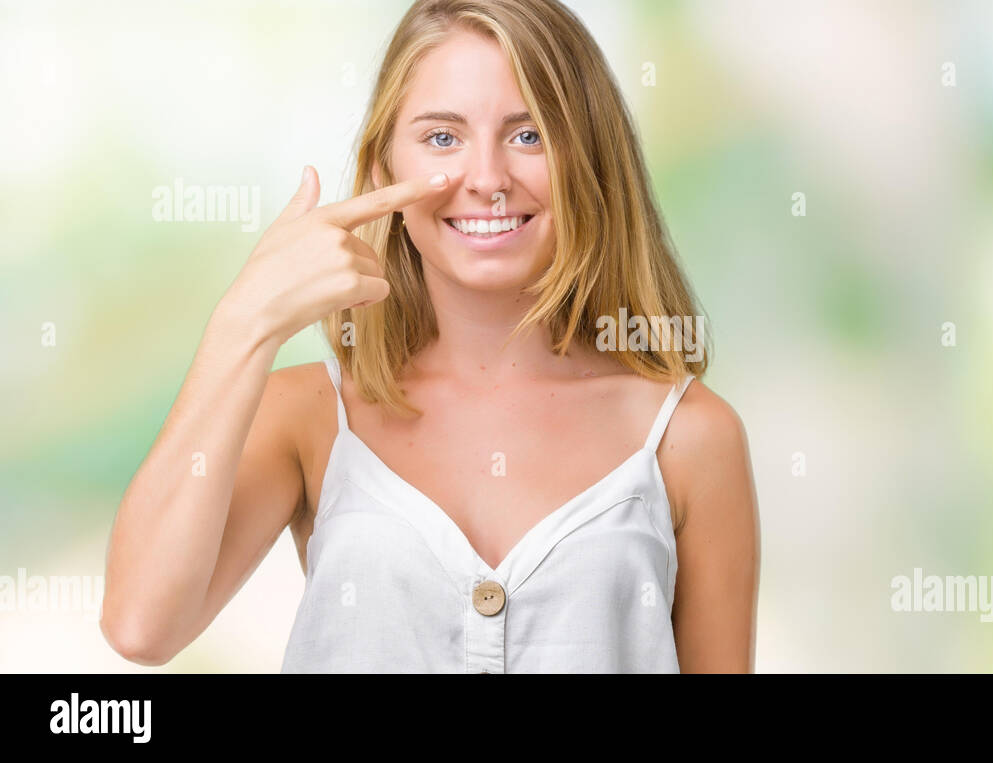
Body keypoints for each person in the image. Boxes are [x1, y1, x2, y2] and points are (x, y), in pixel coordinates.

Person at [101, 0, 759, 673]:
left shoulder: (690, 438)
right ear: (385, 168)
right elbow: (140, 625)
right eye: (442, 138)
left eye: (529, 134)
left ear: (587, 155)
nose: (487, 179)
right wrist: (244, 321)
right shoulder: (309, 418)